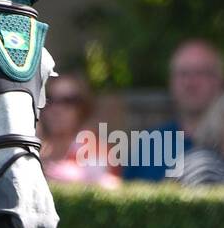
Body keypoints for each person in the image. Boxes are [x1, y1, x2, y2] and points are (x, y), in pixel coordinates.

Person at [124, 39, 223, 181]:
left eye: (200, 73)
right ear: (171, 82)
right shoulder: (150, 143)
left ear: (218, 80)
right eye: (183, 74)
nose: (190, 82)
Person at [39, 72, 121, 187]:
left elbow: (113, 186)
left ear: (82, 108)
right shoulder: (35, 146)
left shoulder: (94, 148)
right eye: (49, 99)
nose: (56, 109)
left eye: (68, 101)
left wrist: (83, 179)